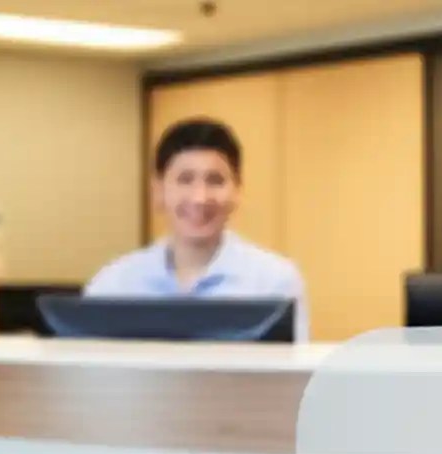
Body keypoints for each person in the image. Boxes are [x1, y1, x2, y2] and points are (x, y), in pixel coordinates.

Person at [84, 117, 310, 341]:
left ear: (237, 190)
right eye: (185, 180)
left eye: (215, 180)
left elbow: (294, 375)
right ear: (159, 191)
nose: (200, 198)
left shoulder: (273, 282)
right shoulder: (113, 284)